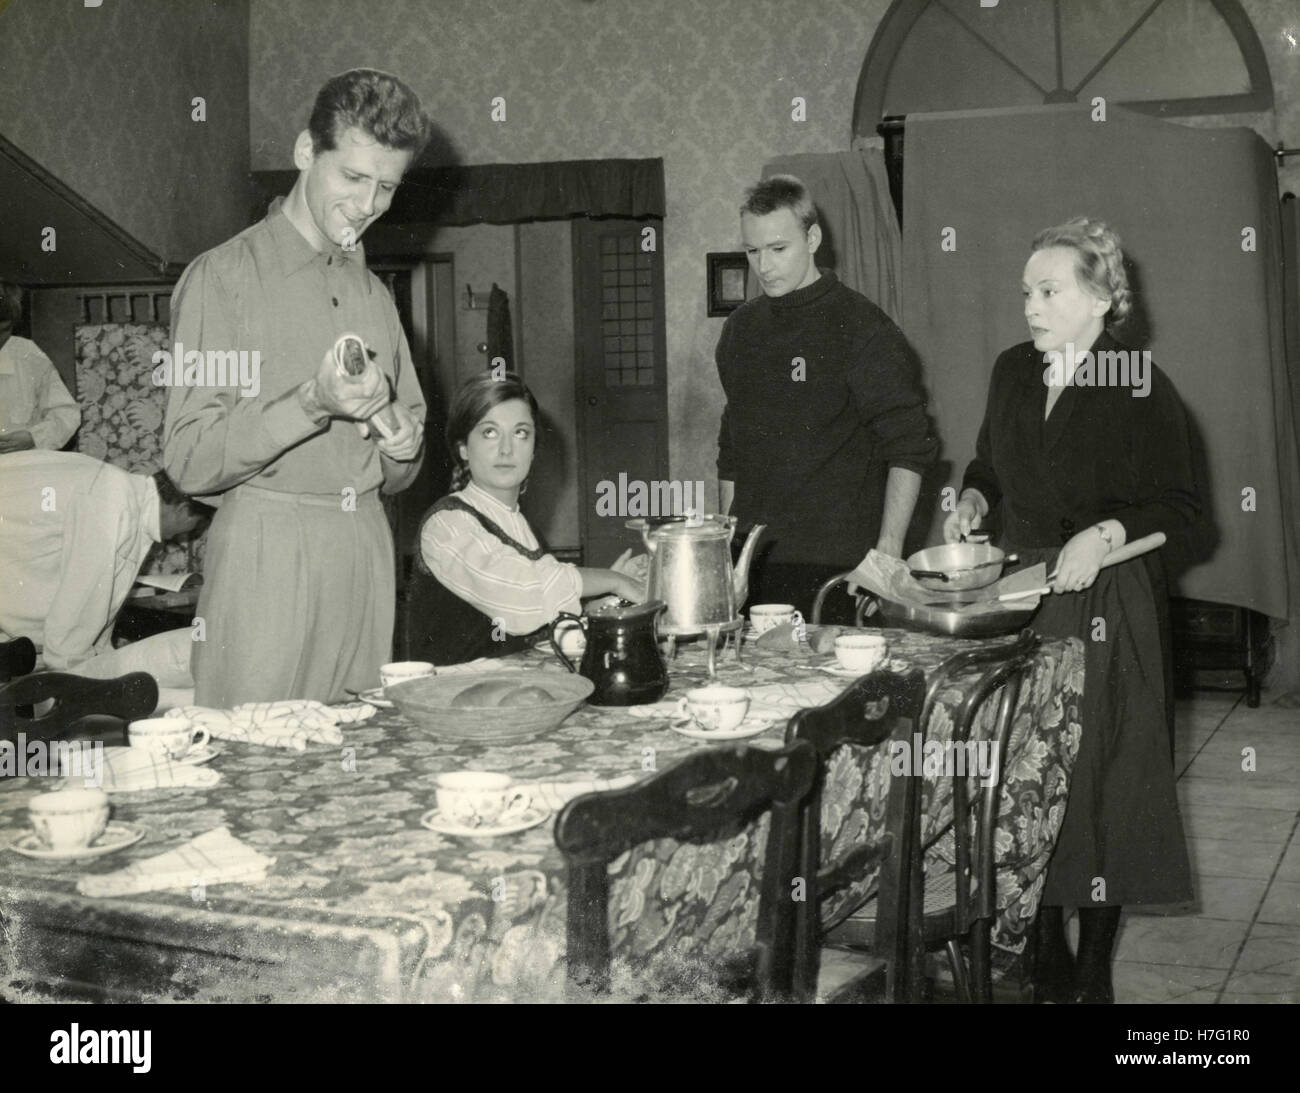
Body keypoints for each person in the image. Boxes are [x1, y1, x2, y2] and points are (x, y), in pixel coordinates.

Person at [945, 217, 1199, 1004]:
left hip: (1109, 603)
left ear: (1099, 299)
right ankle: (1044, 947)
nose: (1031, 305)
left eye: (1049, 290)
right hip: (1024, 595)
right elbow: (989, 459)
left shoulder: (1139, 384)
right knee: (1027, 777)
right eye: (1026, 291)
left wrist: (1108, 532)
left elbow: (1185, 511)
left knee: (1102, 783)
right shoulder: (1012, 371)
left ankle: (1092, 973)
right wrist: (975, 497)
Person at [163, 69, 430, 707]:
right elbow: (189, 459)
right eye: (353, 178)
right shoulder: (221, 280)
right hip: (266, 552)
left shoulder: (374, 295)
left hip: (366, 547)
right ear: (306, 153)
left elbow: (405, 472)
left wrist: (397, 437)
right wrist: (312, 403)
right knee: (253, 780)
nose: (368, 206)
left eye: (386, 187)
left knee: (354, 779)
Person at [715, 175, 937, 620]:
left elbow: (909, 449)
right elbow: (732, 451)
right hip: (752, 562)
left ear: (812, 238)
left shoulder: (863, 328)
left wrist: (887, 555)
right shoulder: (740, 330)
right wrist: (726, 549)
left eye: (779, 249)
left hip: (839, 565)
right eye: (753, 251)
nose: (764, 266)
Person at [413, 372, 645, 664]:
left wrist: (606, 601)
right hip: (454, 698)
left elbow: (542, 623)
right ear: (463, 449)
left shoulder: (523, 526)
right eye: (489, 432)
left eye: (521, 433)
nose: (506, 449)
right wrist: (612, 580)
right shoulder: (446, 524)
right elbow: (520, 595)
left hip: (512, 693)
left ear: (534, 450)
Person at [0, 451, 207, 684]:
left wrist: (101, 653)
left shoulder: (123, 494)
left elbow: (99, 599)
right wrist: (81, 679)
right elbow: (80, 598)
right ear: (182, 509)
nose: (187, 533)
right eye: (196, 524)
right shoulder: (113, 500)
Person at [0, 281, 81, 454]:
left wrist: (33, 437)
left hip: (23, 463)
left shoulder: (27, 355)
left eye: (4, 330)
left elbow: (66, 414)